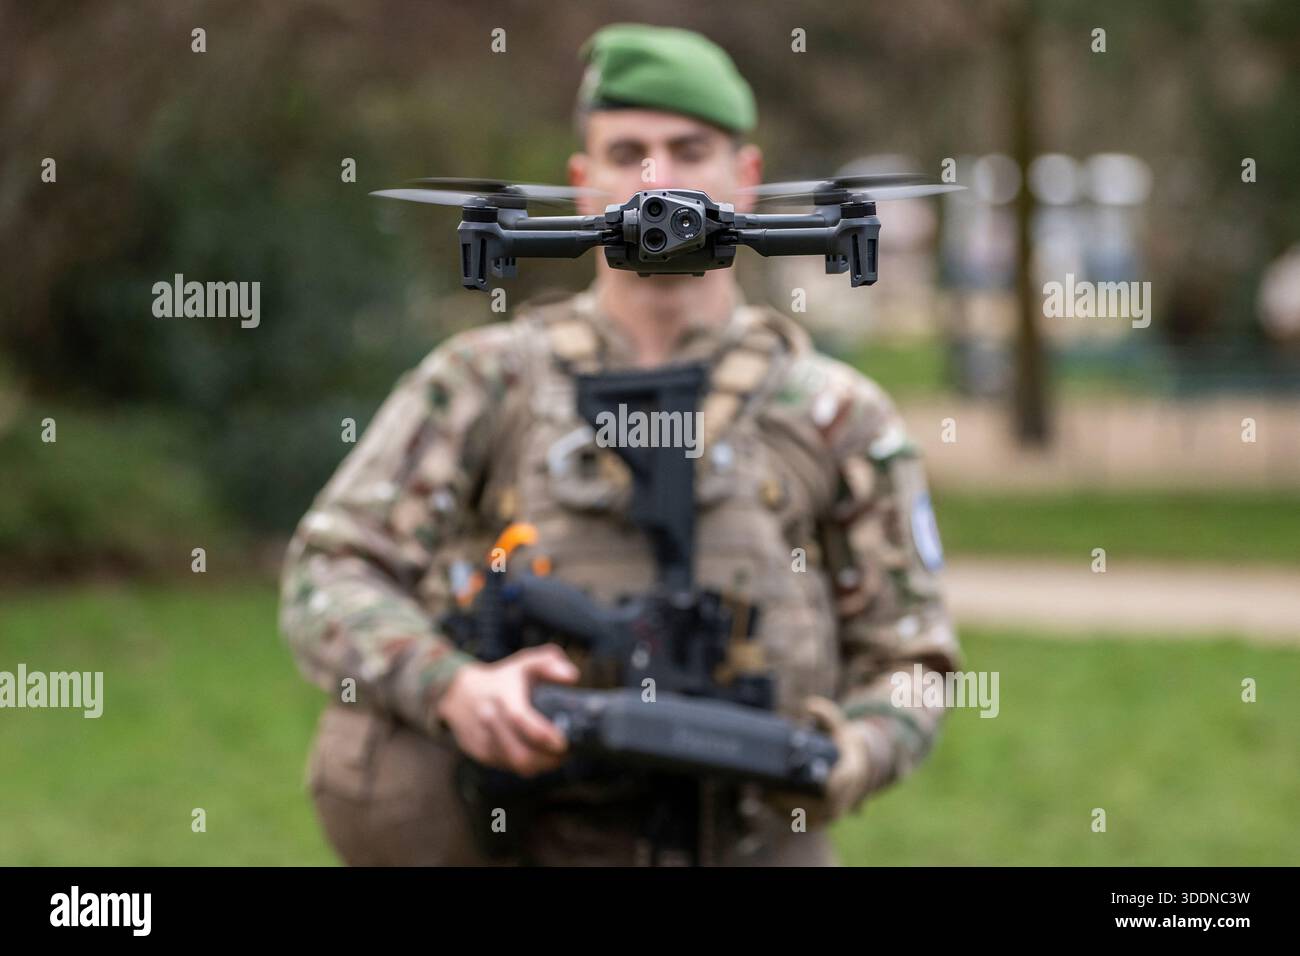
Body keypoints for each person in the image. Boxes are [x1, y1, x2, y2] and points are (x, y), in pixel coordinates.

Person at [279, 22, 961, 866]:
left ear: (746, 177)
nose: (658, 181)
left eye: (688, 149)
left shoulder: (831, 412)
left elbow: (914, 655)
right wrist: (453, 688)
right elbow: (329, 570)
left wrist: (845, 756)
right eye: (628, 151)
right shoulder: (486, 382)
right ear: (580, 183)